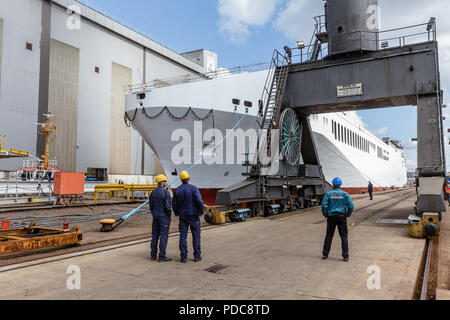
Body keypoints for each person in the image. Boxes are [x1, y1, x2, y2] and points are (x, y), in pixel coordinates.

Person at [172, 171, 204, 263]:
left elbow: (174, 204)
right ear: (188, 178)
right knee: (196, 236)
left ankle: (183, 257)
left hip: (183, 216)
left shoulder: (177, 190)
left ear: (181, 179)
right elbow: (199, 201)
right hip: (194, 215)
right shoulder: (193, 189)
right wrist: (201, 211)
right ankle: (197, 256)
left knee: (183, 236)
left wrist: (177, 213)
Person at [322, 177, 354, 262]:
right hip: (341, 217)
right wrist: (348, 214)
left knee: (329, 235)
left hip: (331, 216)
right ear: (340, 184)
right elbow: (351, 206)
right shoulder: (345, 194)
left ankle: (325, 254)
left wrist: (325, 214)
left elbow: (324, 206)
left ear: (332, 184)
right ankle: (345, 256)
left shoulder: (328, 194)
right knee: (344, 236)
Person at [149, 174, 172, 262]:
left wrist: (154, 214)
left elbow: (151, 206)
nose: (166, 183)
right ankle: (162, 256)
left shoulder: (153, 192)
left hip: (155, 217)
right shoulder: (165, 192)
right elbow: (167, 207)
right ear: (162, 182)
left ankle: (153, 255)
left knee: (155, 235)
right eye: (165, 181)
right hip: (164, 217)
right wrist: (169, 215)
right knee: (163, 236)